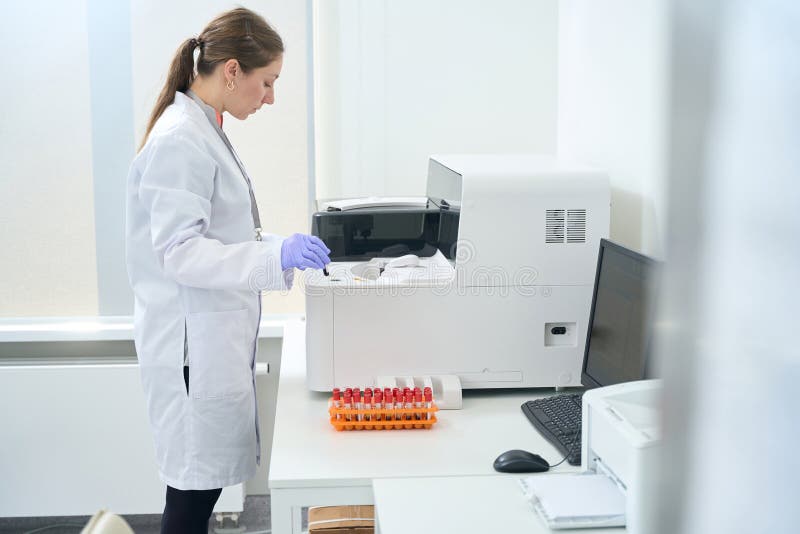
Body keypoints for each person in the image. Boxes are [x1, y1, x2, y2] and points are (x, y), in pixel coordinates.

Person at [125, 8, 330, 533]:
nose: (270, 97)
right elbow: (180, 252)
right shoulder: (179, 139)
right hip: (192, 352)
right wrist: (272, 258)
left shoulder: (202, 129)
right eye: (268, 82)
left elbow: (220, 233)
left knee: (199, 493)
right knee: (191, 499)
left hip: (209, 342)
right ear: (233, 70)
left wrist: (278, 246)